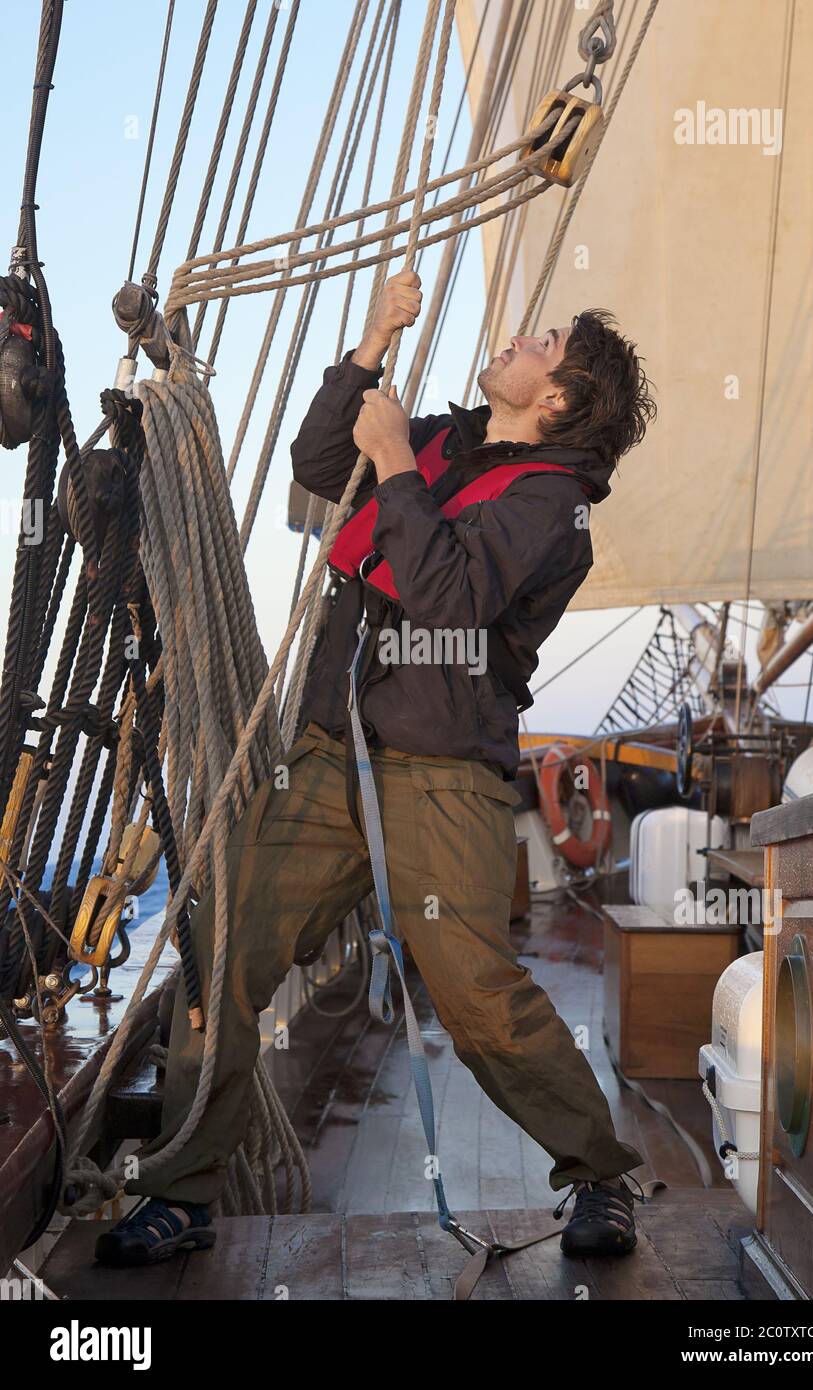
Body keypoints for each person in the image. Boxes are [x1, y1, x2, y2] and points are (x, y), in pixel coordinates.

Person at [96, 269, 657, 1268]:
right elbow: (322, 464)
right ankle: (178, 1190)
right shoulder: (443, 441)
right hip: (325, 755)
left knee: (478, 997)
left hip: (439, 779)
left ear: (559, 397)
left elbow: (445, 592)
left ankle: (599, 1173)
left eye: (540, 342)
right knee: (223, 955)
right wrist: (368, 347)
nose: (517, 339)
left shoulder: (550, 510)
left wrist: (393, 451)